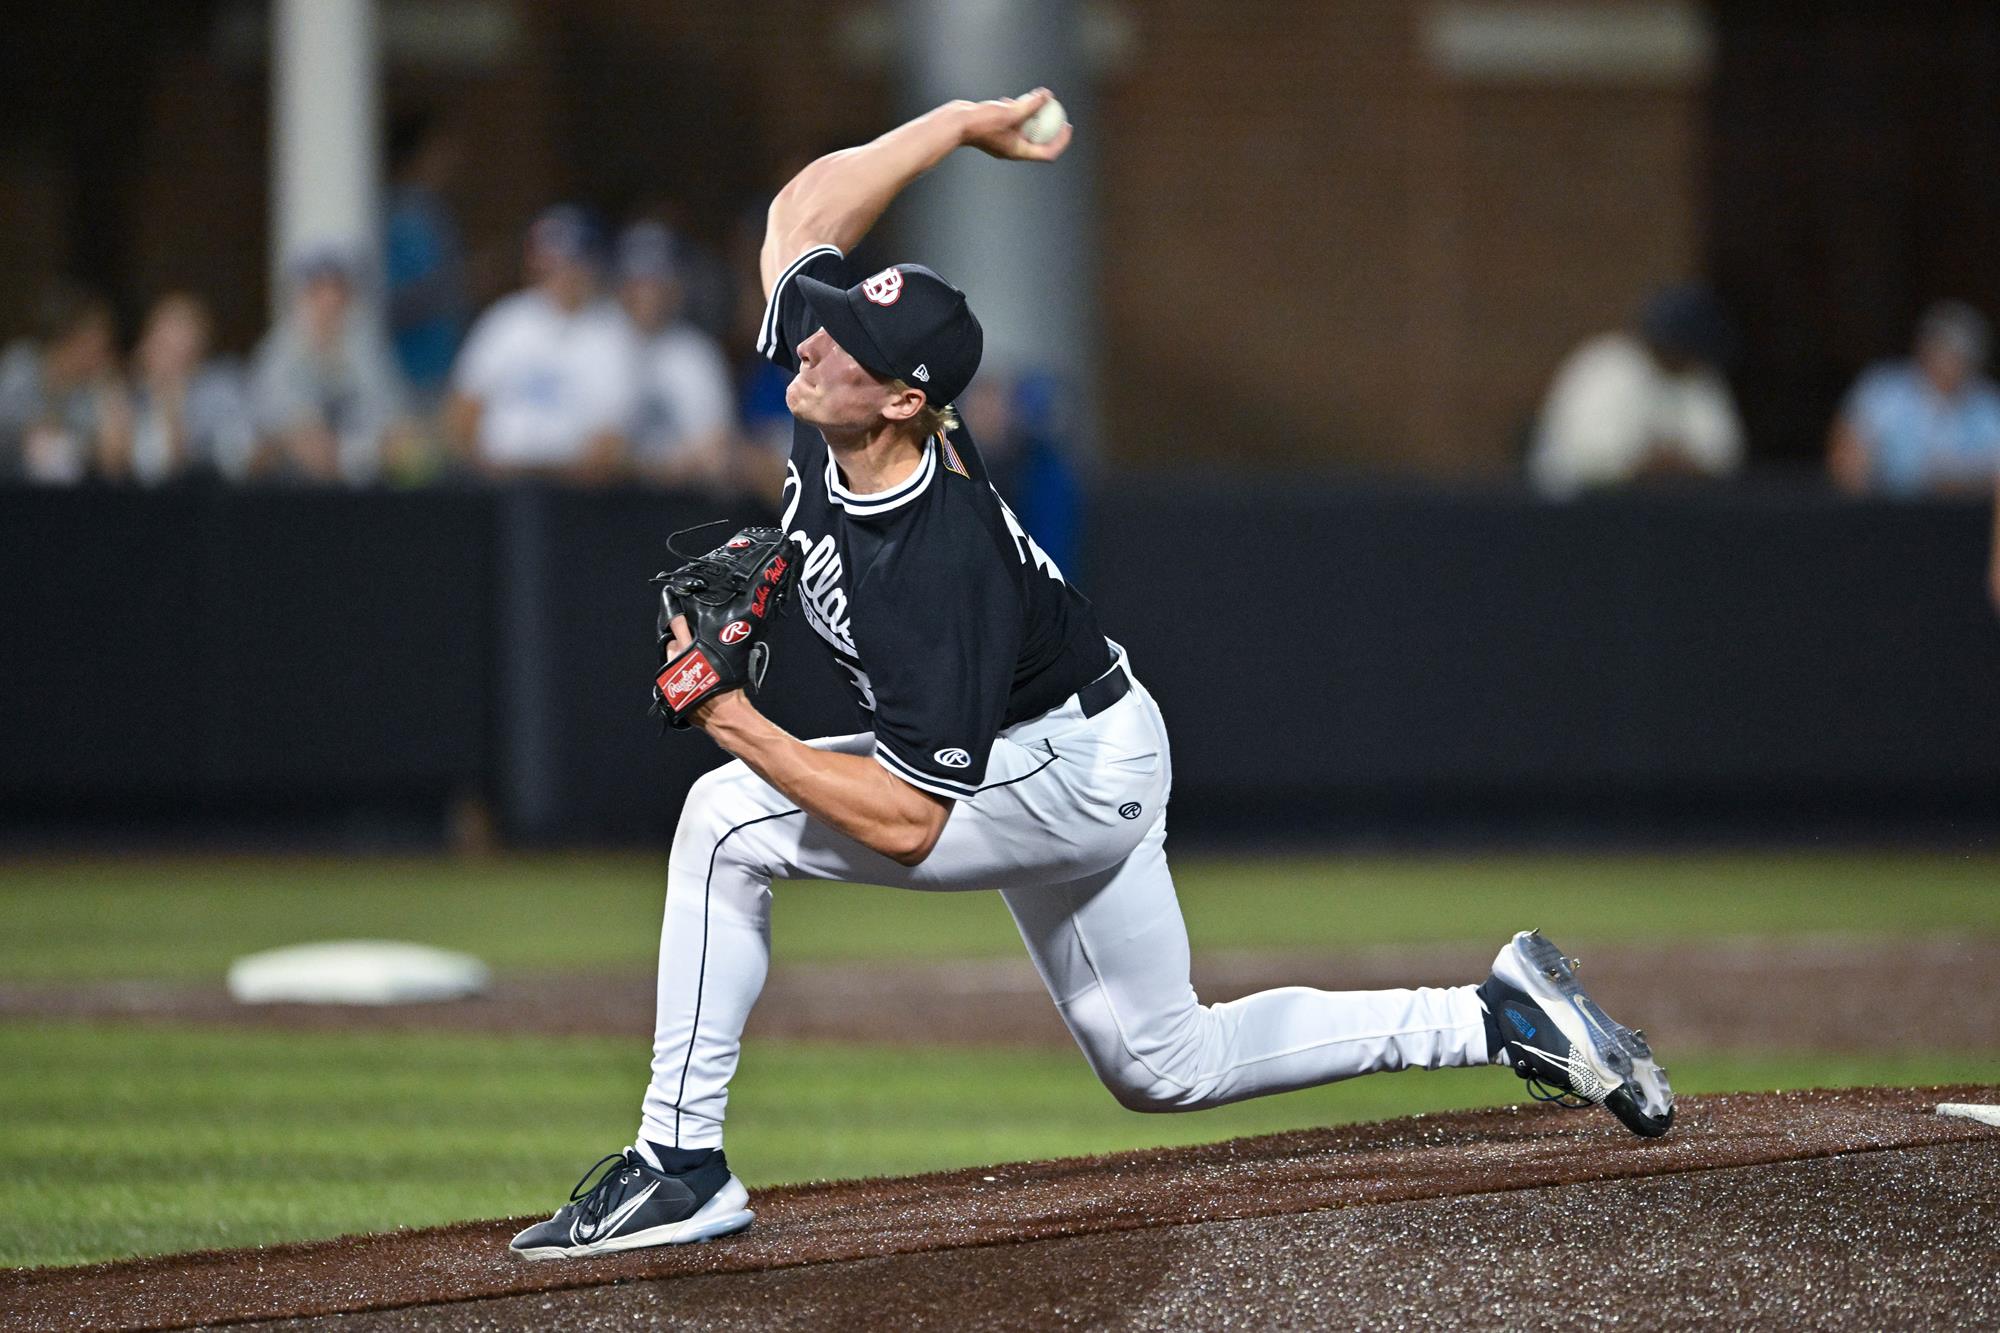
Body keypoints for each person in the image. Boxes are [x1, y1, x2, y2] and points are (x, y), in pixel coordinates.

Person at [510, 90, 1675, 1261]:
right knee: (1163, 1063)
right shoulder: (850, 404)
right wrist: (957, 124)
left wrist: (737, 722)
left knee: (726, 818)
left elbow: (913, 821)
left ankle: (679, 1161)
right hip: (1076, 734)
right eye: (821, 326)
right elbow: (801, 210)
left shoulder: (933, 562)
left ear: (906, 399)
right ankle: (1497, 1015)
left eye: (842, 348)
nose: (805, 347)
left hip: (1060, 766)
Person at [444, 205, 639, 486]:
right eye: (552, 260)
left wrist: (549, 475)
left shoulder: (613, 334)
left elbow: (610, 446)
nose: (562, 272)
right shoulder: (506, 320)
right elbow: (461, 414)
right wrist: (480, 467)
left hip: (575, 495)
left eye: (572, 261)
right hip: (496, 488)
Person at [1528, 284, 1744, 498]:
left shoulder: (1699, 377)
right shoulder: (1607, 365)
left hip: (1664, 512)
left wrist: (1681, 464)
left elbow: (1726, 456)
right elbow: (1588, 460)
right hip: (1574, 511)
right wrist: (1649, 464)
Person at [248, 247, 409, 485]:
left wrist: (369, 445)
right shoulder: (279, 350)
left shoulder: (367, 348)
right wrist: (298, 436)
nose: (329, 301)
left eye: (338, 291)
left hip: (362, 473)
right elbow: (266, 420)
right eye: (319, 291)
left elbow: (391, 413)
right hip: (291, 482)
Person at [613, 220, 747, 493]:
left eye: (657, 284)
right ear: (621, 287)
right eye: (639, 283)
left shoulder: (695, 352)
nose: (648, 295)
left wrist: (642, 464)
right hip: (602, 500)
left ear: (676, 288)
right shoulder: (597, 341)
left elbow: (715, 447)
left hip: (679, 498)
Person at [1828, 301, 2000, 497]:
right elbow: (1845, 467)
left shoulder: (1991, 405)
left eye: (1960, 355)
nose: (1949, 364)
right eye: (1941, 349)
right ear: (1923, 348)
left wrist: (1956, 485)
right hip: (1889, 515)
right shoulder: (1882, 391)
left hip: (1970, 519)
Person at [0, 281, 131, 485]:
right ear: (68, 339)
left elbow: (114, 462)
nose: (98, 350)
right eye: (90, 340)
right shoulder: (21, 365)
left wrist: (109, 389)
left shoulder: (97, 385)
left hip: (73, 499)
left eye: (103, 342)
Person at [384, 110, 470, 408]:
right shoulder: (404, 215)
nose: (453, 160)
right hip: (409, 372)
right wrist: (463, 282)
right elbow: (387, 299)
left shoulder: (432, 209)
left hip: (444, 367)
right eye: (441, 150)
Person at [127, 292, 255, 486]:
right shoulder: (132, 392)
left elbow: (241, 458)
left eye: (182, 333)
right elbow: (143, 467)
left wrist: (172, 400)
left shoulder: (223, 386)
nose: (170, 351)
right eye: (163, 339)